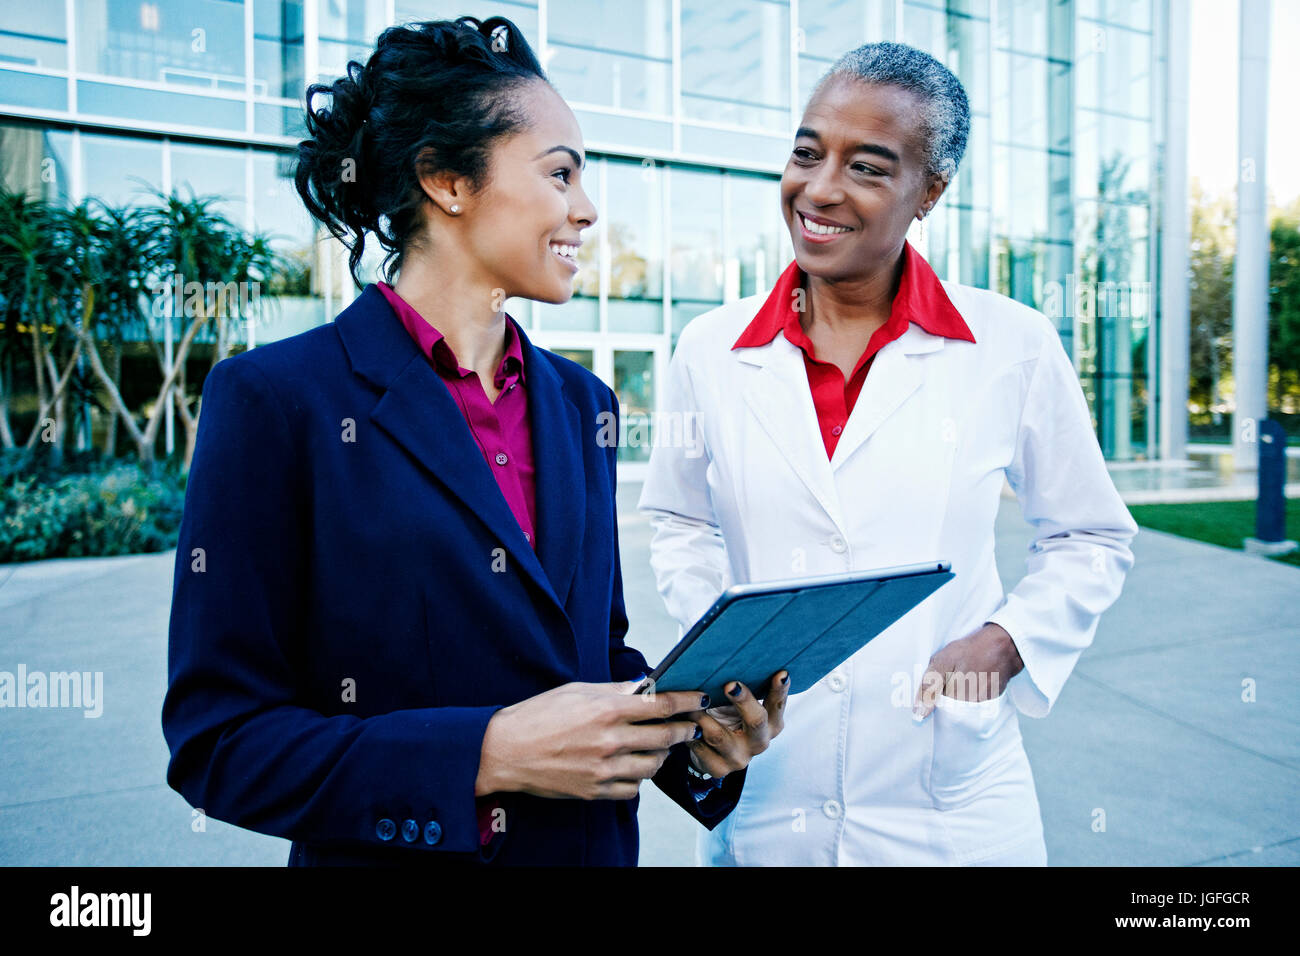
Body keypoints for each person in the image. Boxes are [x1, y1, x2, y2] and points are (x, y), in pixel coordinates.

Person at [161, 15, 786, 867]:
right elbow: (220, 742)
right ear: (446, 180)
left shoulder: (582, 405)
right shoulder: (276, 401)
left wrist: (696, 741)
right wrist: (485, 755)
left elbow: (592, 658)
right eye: (560, 173)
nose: (588, 209)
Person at [638, 41, 1137, 866]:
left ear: (929, 191)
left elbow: (1090, 536)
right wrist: (730, 648)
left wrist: (1009, 639)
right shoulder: (708, 348)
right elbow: (682, 523)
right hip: (770, 789)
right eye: (807, 153)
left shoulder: (1011, 345)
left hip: (952, 801)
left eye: (867, 167)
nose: (820, 188)